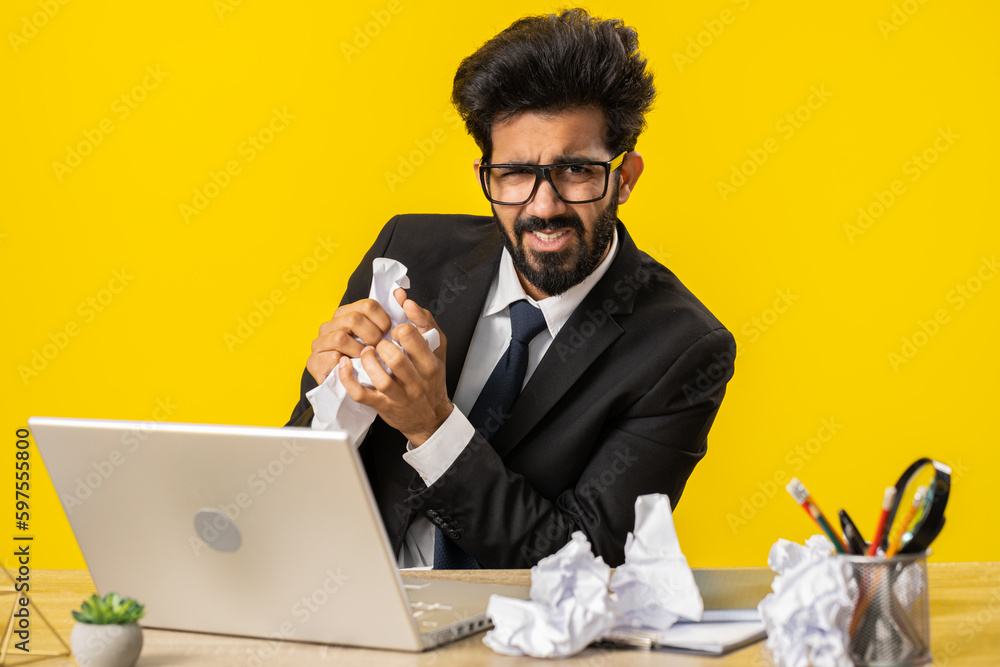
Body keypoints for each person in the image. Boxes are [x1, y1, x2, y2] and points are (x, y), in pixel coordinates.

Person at [286, 8, 736, 569]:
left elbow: (582, 567)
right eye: (516, 174)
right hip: (351, 609)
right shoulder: (409, 252)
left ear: (625, 178)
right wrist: (331, 404)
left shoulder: (681, 350)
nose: (544, 207)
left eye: (576, 171)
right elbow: (294, 490)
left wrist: (432, 426)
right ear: (484, 176)